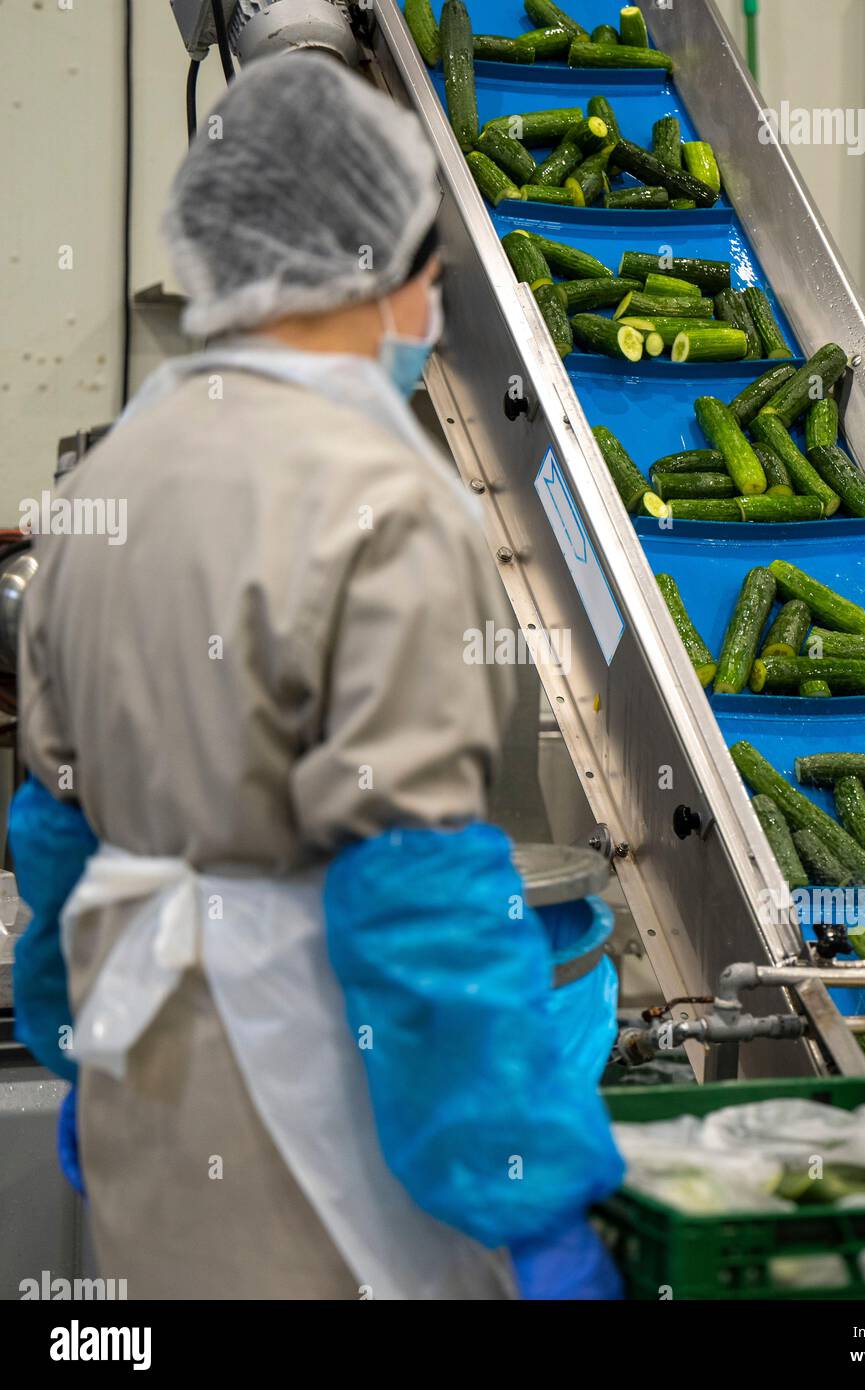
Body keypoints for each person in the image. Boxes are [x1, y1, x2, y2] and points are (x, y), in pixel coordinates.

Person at [11, 53, 623, 1300]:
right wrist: (528, 1192)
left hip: (145, 1072)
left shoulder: (102, 487)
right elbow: (416, 894)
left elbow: (53, 829)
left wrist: (76, 1048)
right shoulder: (385, 496)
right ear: (380, 265)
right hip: (316, 1100)